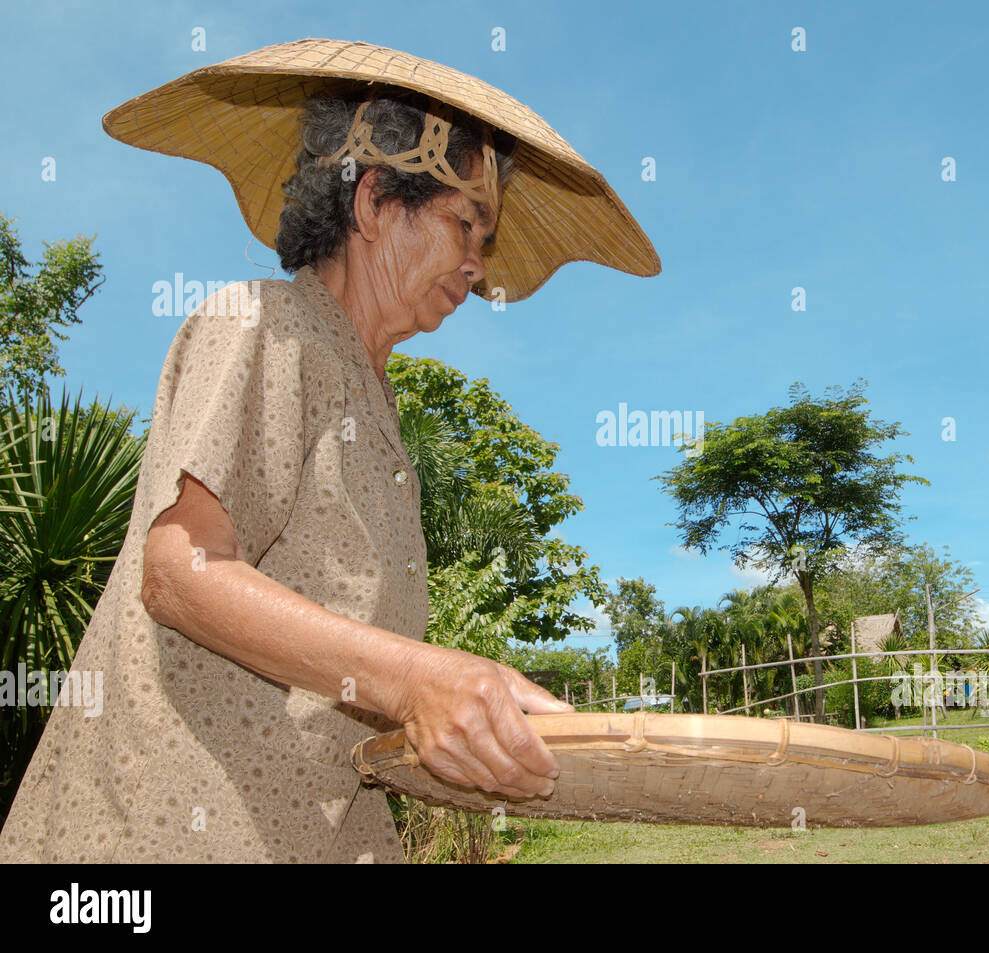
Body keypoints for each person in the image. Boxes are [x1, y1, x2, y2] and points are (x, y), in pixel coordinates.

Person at [0, 39, 658, 863]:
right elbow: (179, 569)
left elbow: (346, 694)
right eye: (465, 225)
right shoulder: (262, 326)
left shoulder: (379, 421)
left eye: (484, 240)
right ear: (378, 201)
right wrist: (415, 679)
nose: (477, 266)